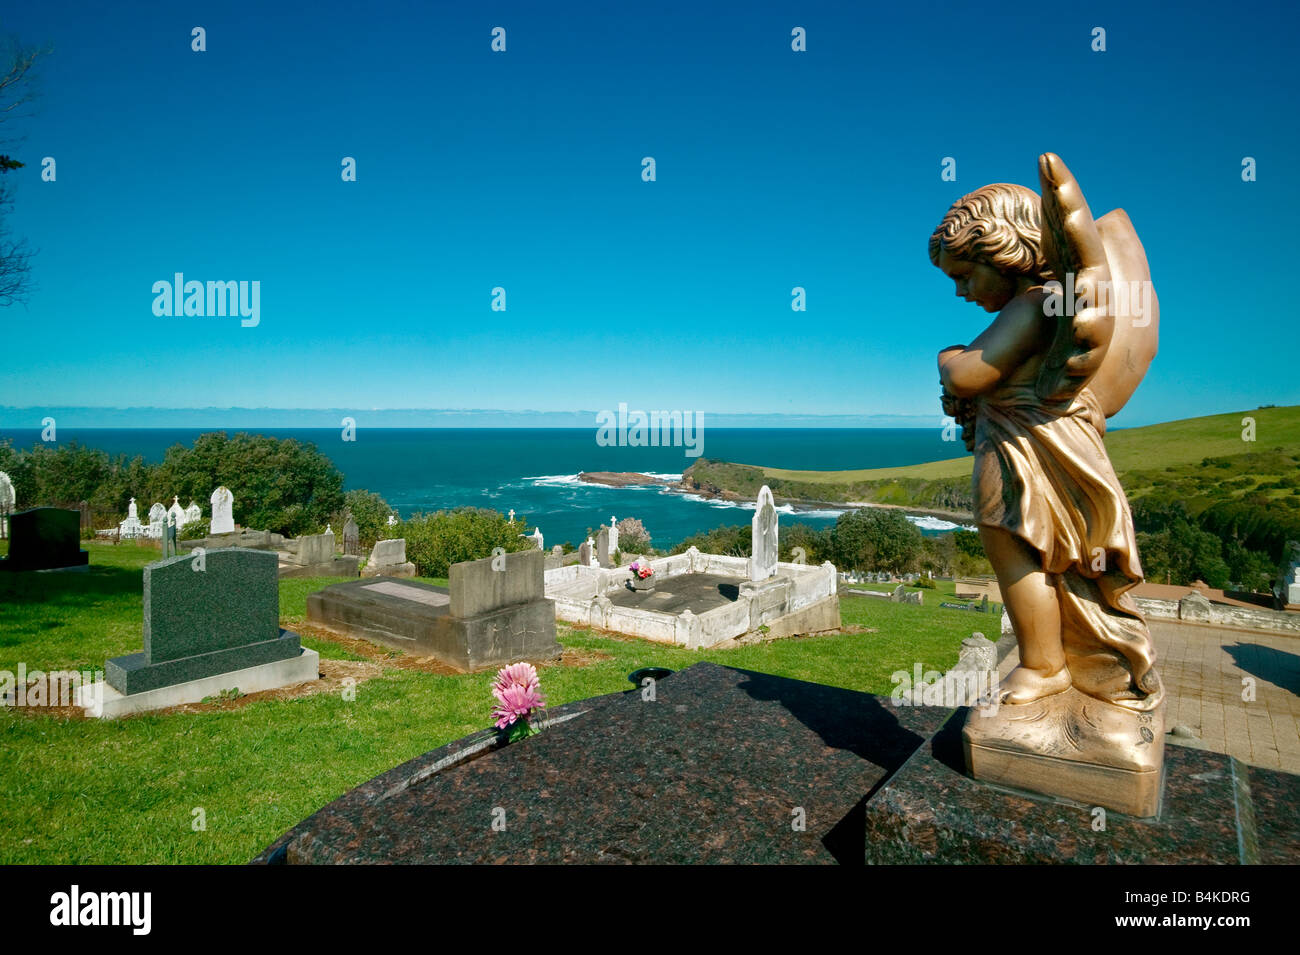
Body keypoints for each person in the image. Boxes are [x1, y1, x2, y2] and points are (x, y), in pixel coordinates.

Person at [929, 180, 1162, 712]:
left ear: (1003, 250)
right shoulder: (1044, 304)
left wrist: (946, 357)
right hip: (1027, 442)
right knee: (1041, 556)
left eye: (965, 275)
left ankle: (1043, 664)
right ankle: (1058, 660)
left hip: (1023, 450)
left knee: (1017, 553)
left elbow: (968, 375)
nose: (961, 292)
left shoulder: (1034, 304)